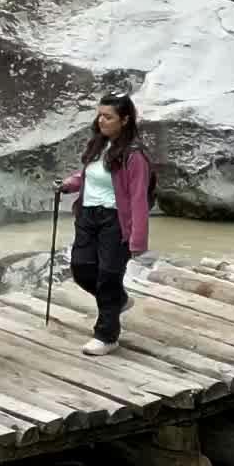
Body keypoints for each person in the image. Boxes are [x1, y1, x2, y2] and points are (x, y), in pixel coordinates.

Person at [58, 92, 153, 355]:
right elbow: (88, 175)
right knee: (81, 268)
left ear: (125, 120)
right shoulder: (98, 145)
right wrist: (70, 184)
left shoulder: (134, 156)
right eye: (99, 115)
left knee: (109, 276)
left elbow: (138, 198)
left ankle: (106, 336)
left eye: (108, 117)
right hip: (88, 215)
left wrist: (137, 240)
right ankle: (119, 300)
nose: (101, 120)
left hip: (115, 220)